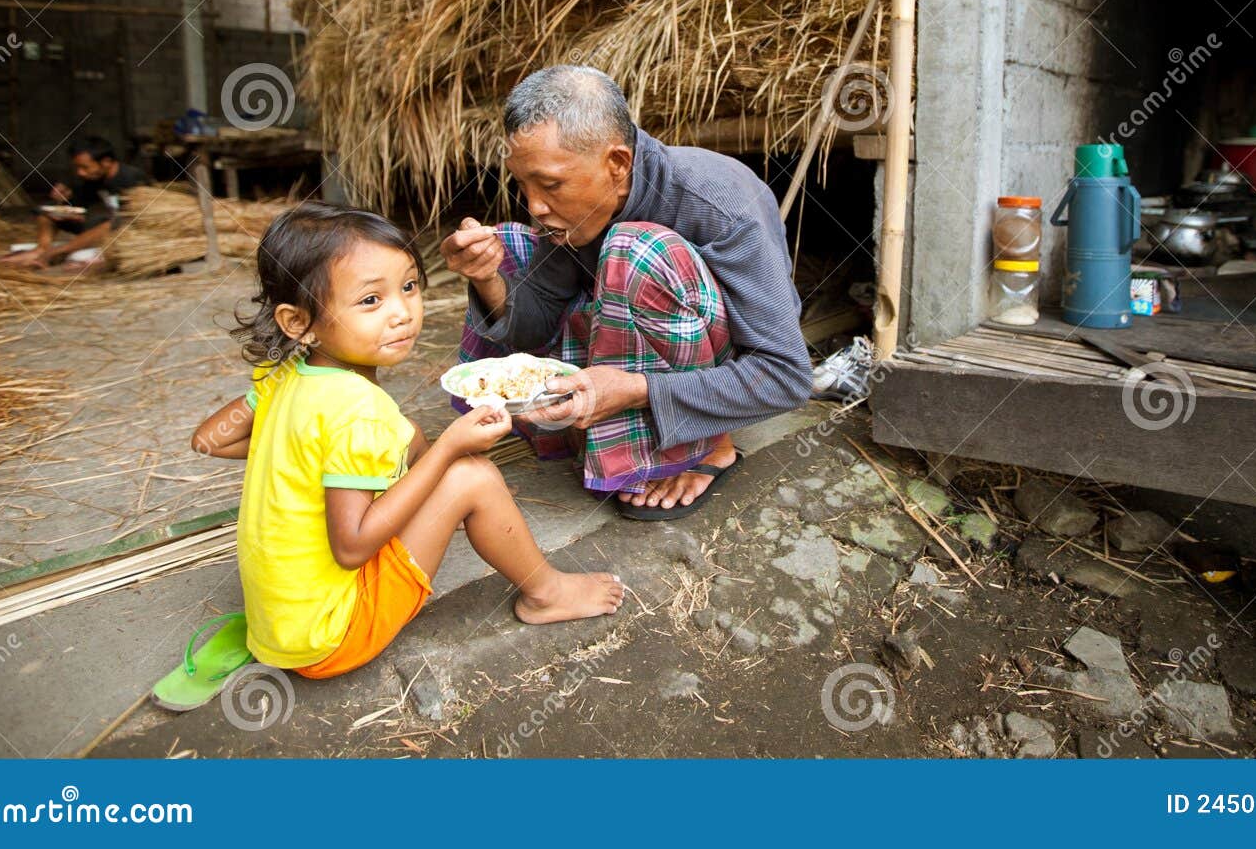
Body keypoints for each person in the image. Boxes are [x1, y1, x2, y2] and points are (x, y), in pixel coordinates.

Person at [191, 201, 623, 679]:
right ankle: (546, 592)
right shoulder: (357, 410)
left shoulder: (287, 375)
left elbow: (208, 439)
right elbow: (352, 548)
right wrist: (449, 449)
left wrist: (293, 450)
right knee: (472, 475)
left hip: (281, 629)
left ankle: (457, 506)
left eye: (409, 286)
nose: (402, 313)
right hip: (333, 637)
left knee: (410, 434)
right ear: (298, 323)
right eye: (370, 301)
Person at [441, 65, 810, 520]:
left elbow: (785, 377)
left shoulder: (718, 204)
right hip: (638, 347)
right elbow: (534, 330)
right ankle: (610, 422)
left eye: (551, 184)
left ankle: (710, 448)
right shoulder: (572, 210)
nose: (535, 204)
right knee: (511, 244)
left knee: (638, 250)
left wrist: (635, 390)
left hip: (728, 355)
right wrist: (486, 277)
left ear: (617, 164)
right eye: (523, 183)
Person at [1, 136, 147, 269]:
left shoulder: (132, 179)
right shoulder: (92, 177)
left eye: (85, 167)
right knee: (46, 211)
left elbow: (134, 219)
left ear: (106, 162)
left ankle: (57, 252)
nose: (80, 173)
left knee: (116, 222)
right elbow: (79, 204)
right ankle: (42, 249)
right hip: (97, 223)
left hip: (125, 229)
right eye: (77, 168)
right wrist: (65, 201)